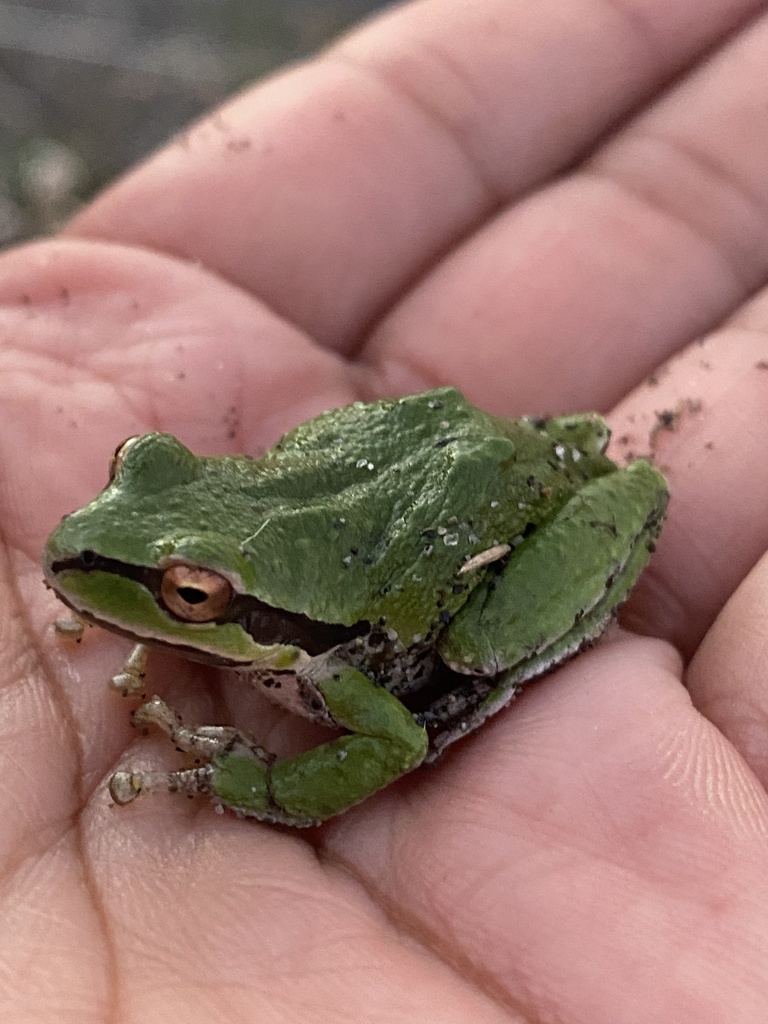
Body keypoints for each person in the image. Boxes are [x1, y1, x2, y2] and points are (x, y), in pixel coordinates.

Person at [2, 0, 768, 1018]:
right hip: (405, 487)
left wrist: (263, 786)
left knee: (476, 649)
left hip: (468, 546)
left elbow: (395, 740)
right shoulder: (253, 595)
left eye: (189, 592)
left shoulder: (327, 663)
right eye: (184, 586)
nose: (88, 539)